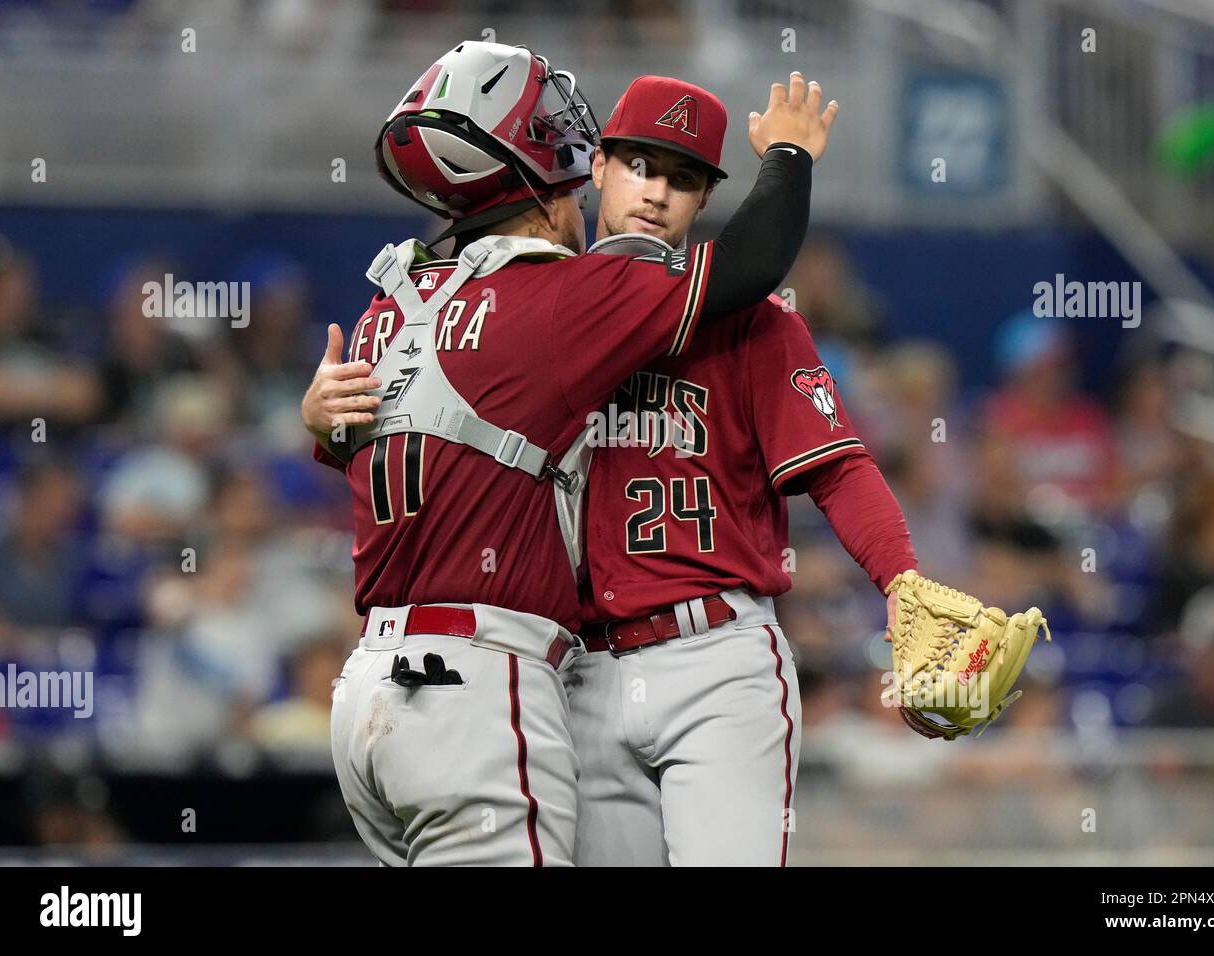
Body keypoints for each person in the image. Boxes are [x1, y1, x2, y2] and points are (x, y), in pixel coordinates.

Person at [301, 42, 839, 865]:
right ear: (552, 197)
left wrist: (321, 425)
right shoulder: (559, 294)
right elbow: (749, 266)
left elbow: (400, 441)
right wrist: (792, 157)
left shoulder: (394, 298)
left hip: (369, 692)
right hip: (473, 683)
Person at [567, 75, 917, 866]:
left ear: (704, 200)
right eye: (640, 166)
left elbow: (838, 470)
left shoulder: (755, 322)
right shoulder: (547, 308)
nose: (657, 193)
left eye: (683, 178)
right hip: (578, 667)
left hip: (715, 658)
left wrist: (901, 579)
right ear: (597, 167)